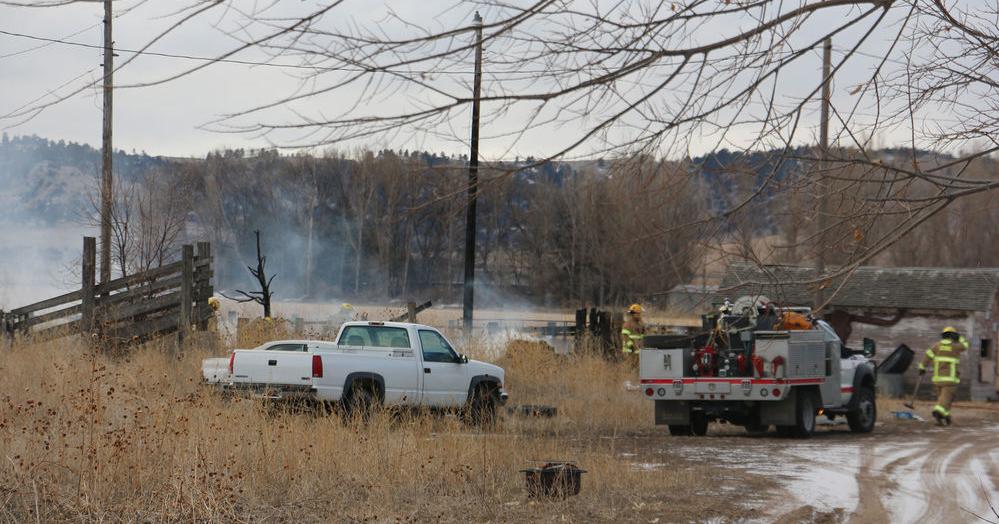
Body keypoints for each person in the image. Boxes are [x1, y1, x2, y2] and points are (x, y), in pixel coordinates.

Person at [918, 326, 967, 426]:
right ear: (953, 336)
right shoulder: (955, 346)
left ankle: (946, 417)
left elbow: (927, 356)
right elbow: (965, 345)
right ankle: (938, 412)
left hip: (937, 379)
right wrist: (960, 337)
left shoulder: (936, 346)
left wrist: (922, 367)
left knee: (943, 399)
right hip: (950, 380)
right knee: (945, 400)